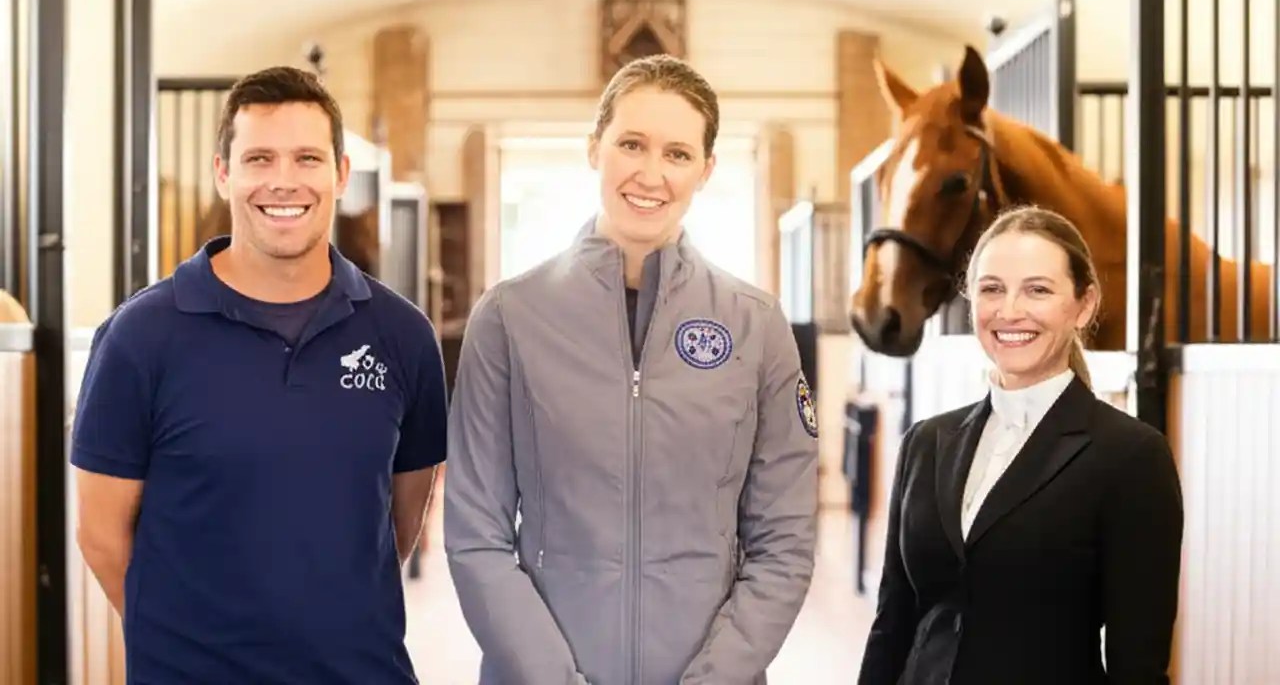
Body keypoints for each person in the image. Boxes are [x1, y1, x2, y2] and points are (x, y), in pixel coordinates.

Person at [444, 54, 819, 685]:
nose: (651, 173)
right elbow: (476, 534)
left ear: (706, 169)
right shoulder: (509, 317)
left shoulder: (758, 325)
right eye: (631, 144)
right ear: (594, 149)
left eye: (677, 153)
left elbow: (784, 540)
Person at [71, 66, 447, 683]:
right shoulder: (140, 337)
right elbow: (101, 537)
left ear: (340, 175)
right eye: (259, 158)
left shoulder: (403, 336)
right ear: (224, 174)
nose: (283, 181)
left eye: (306, 158)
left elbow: (398, 524)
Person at [857, 205, 1184, 684]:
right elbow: (892, 624)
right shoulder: (926, 443)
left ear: (1085, 304)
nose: (1009, 311)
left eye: (1038, 290)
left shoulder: (1132, 456)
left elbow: (1139, 666)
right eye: (992, 289)